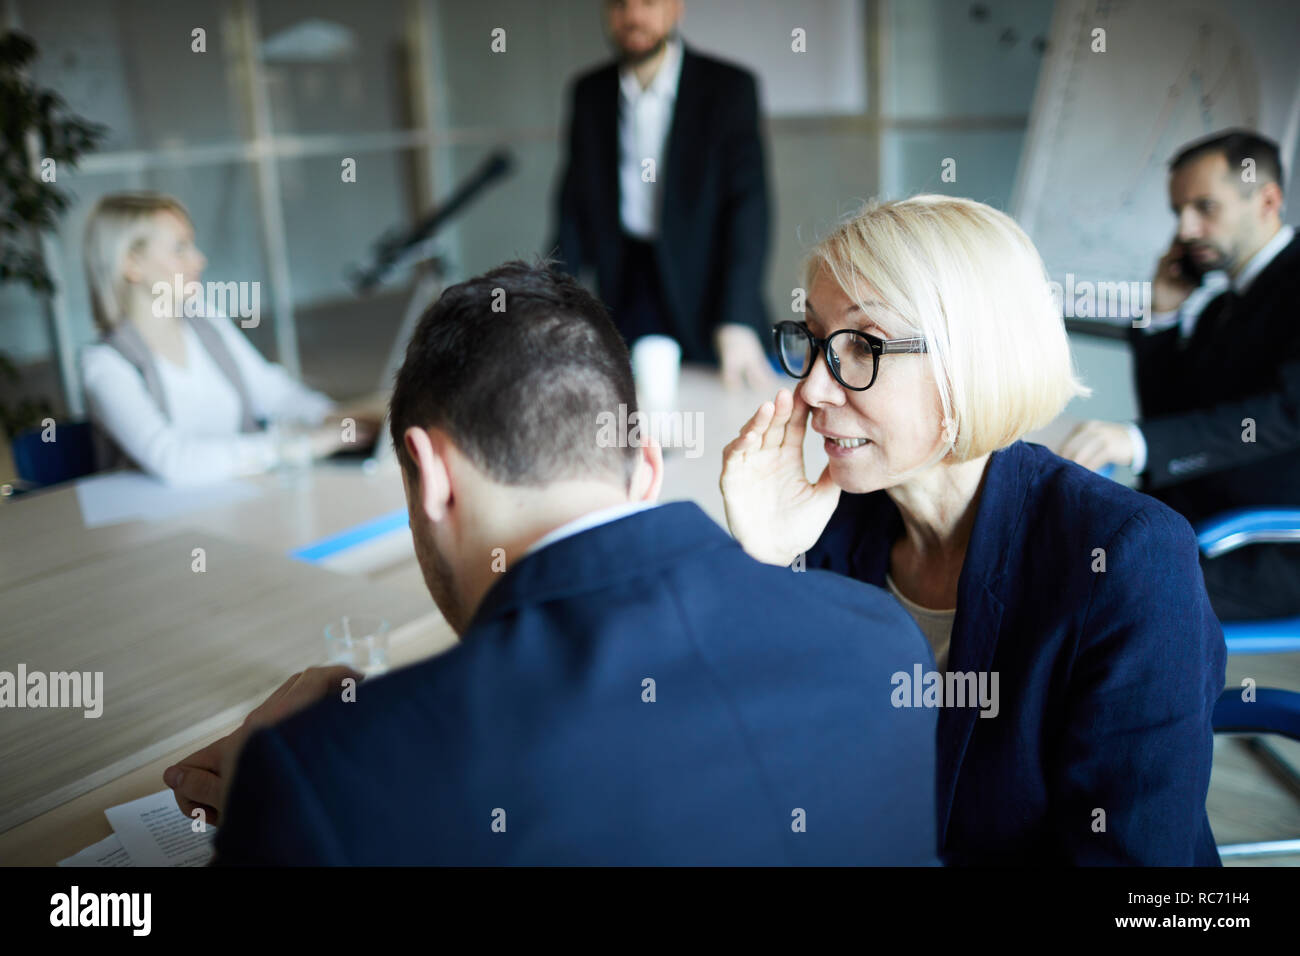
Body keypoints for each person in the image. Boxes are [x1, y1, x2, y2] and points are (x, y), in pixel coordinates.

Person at [165, 260, 938, 866]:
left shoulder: (327, 780)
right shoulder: (881, 643)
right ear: (646, 463)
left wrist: (277, 787)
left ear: (431, 473)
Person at [720, 195, 1226, 865]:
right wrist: (765, 565)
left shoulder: (1127, 558)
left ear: (971, 362)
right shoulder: (826, 534)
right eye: (813, 343)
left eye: (861, 346)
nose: (814, 388)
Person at [1062, 129, 1300, 621]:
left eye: (1205, 208)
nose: (1186, 230)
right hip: (1201, 523)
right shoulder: (1220, 306)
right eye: (1179, 213)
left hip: (1270, 544)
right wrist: (1165, 316)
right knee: (1049, 549)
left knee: (1088, 589)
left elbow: (1286, 412)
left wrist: (1137, 440)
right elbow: (1171, 416)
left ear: (1268, 199)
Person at [550, 0, 774, 389]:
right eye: (620, 5)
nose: (634, 17)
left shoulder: (729, 88)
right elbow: (572, 213)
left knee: (720, 403)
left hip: (709, 287)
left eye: (649, 3)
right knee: (628, 406)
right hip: (626, 282)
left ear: (676, 8)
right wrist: (549, 307)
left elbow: (749, 209)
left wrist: (735, 317)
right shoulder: (588, 93)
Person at [79, 192, 375, 486]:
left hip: (245, 496)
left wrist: (336, 418)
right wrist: (295, 446)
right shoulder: (104, 364)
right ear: (132, 265)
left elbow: (275, 394)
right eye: (180, 248)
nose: (199, 259)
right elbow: (173, 461)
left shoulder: (205, 321)